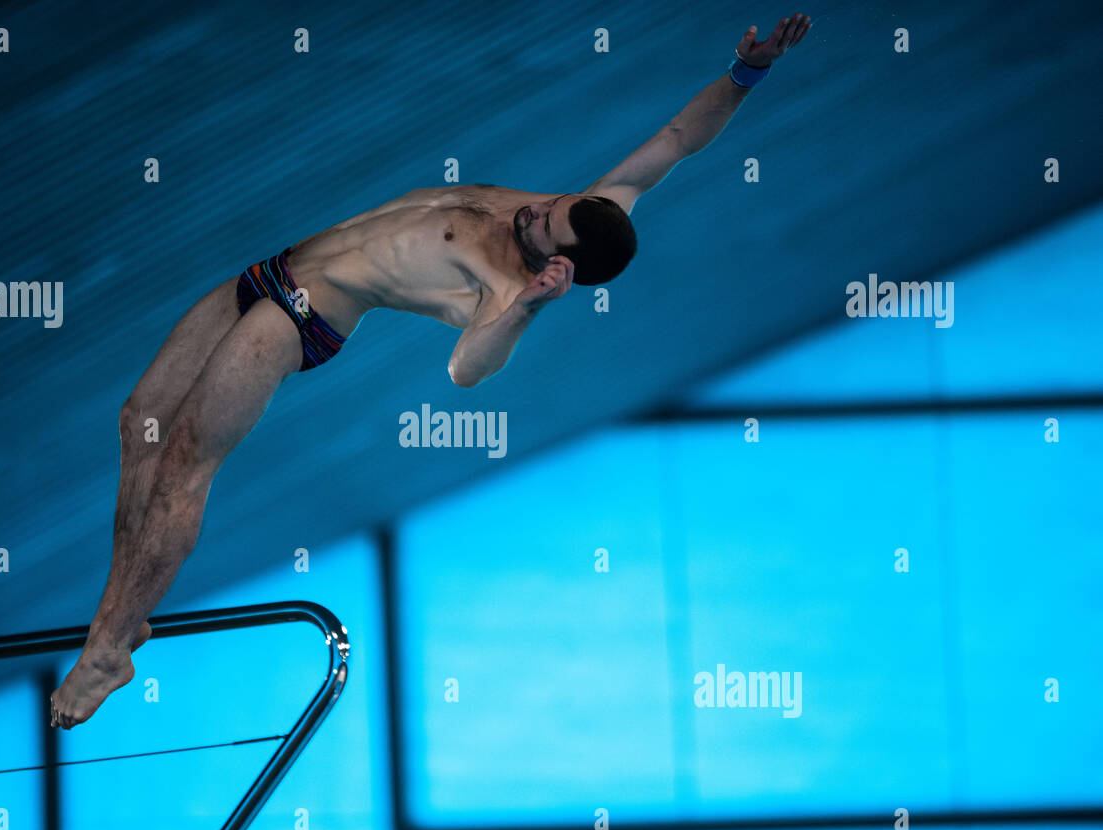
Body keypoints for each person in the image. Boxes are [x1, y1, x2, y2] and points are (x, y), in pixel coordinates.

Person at [50, 13, 813, 728]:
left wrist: (528, 310)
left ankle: (107, 653)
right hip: (275, 267)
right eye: (552, 204)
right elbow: (681, 138)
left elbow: (465, 373)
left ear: (561, 268)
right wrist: (746, 74)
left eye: (544, 228)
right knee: (138, 422)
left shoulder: (512, 290)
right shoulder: (592, 207)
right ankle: (122, 617)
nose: (533, 211)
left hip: (303, 315)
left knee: (186, 459)